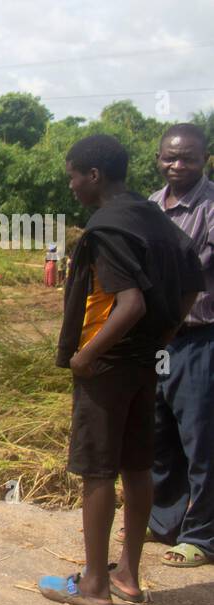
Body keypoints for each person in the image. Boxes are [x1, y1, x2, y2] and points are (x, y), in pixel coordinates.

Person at [39, 134, 203, 605]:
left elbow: (128, 303)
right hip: (144, 363)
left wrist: (87, 355)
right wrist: (168, 331)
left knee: (96, 472)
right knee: (136, 467)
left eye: (72, 175)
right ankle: (127, 574)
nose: (70, 185)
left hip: (108, 366)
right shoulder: (153, 217)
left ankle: (93, 584)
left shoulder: (107, 226)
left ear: (94, 175)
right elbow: (194, 280)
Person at [146, 123, 214, 570]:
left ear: (204, 158)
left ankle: (202, 537)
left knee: (202, 441)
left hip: (199, 337)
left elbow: (195, 269)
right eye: (170, 157)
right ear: (158, 159)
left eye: (188, 157)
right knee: (158, 434)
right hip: (157, 341)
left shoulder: (210, 207)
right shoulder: (152, 205)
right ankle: (165, 520)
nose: (178, 165)